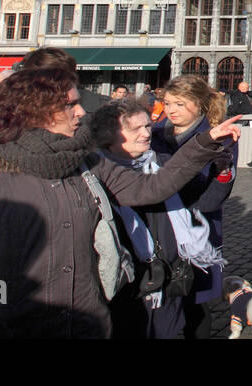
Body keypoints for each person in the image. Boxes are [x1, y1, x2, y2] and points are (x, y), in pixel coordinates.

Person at [0, 69, 239, 336]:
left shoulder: (85, 164)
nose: (81, 112)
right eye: (69, 105)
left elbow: (152, 188)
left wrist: (205, 142)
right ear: (34, 113)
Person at [92, 99, 217, 339]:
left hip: (169, 279)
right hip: (128, 289)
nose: (146, 133)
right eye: (135, 129)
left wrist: (221, 173)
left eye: (148, 126)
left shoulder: (161, 162)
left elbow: (206, 199)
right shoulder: (97, 176)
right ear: (109, 136)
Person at [152, 75, 239, 339]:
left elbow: (214, 195)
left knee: (195, 301)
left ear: (199, 104)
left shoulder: (221, 138)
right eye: (167, 103)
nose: (171, 110)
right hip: (158, 226)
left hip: (197, 227)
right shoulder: (154, 134)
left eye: (179, 103)